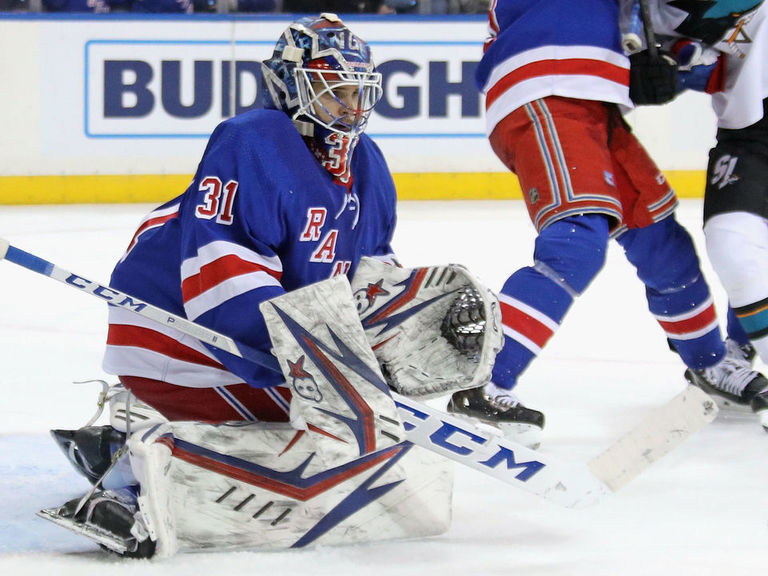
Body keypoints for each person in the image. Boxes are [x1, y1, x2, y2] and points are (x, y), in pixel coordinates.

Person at [39, 13, 494, 557]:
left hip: (268, 340)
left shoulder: (368, 166)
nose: (350, 109)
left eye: (358, 92)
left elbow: (369, 288)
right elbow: (222, 287)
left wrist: (386, 361)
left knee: (355, 432)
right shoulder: (254, 139)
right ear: (288, 85)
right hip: (175, 331)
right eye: (333, 93)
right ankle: (140, 472)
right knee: (339, 438)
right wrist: (328, 383)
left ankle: (132, 434)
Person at [446, 0, 768, 444]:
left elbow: (680, 46)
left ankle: (711, 364)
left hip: (594, 101)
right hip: (545, 83)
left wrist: (668, 67)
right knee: (577, 242)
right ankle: (482, 383)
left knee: (662, 243)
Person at [636, 1, 768, 423]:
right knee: (734, 244)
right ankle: (735, 346)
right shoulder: (646, 11)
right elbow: (703, 59)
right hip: (753, 136)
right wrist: (661, 71)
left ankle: (737, 343)